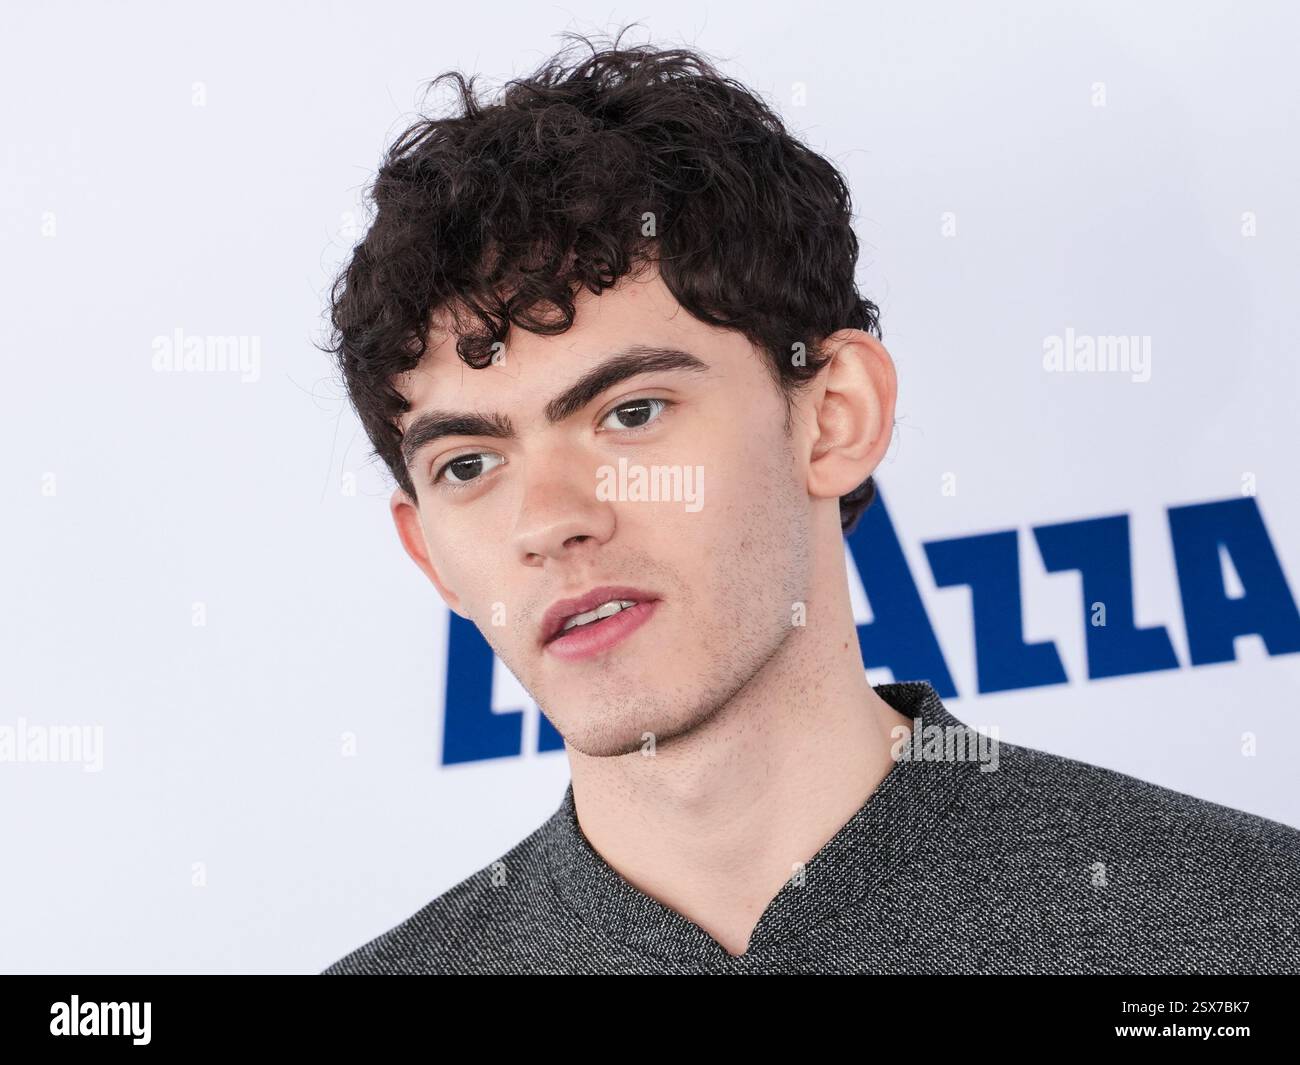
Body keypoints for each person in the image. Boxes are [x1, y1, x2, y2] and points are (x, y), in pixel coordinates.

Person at [319, 32, 1300, 974]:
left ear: (833, 417)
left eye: (632, 412)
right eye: (467, 465)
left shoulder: (1246, 926)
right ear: (429, 554)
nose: (550, 519)